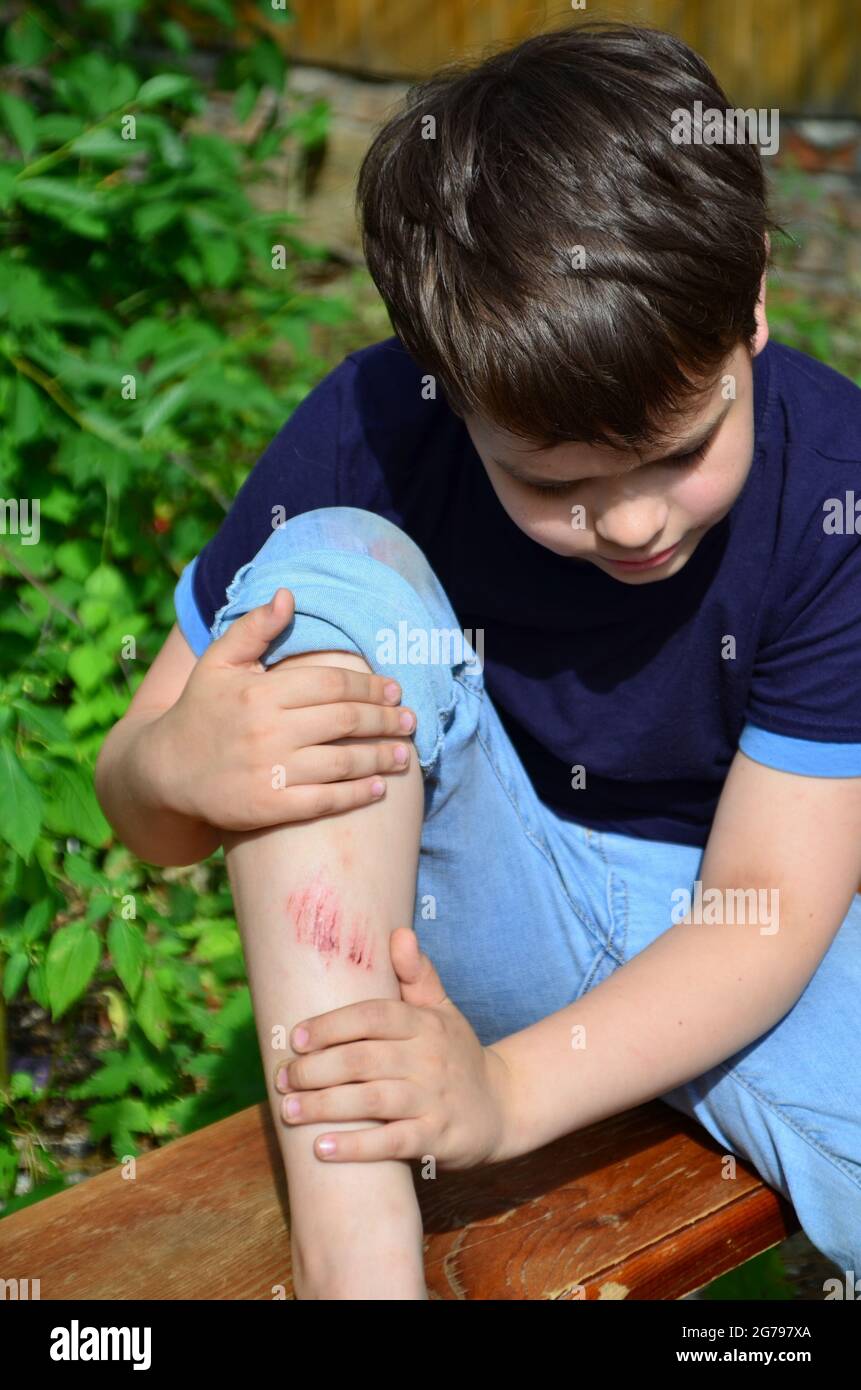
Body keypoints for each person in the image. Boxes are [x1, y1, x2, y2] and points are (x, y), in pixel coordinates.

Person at [95, 22, 861, 1298]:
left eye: (677, 453)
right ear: (447, 382)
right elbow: (145, 805)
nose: (630, 521)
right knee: (332, 572)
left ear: (756, 305)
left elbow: (770, 906)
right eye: (553, 480)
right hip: (467, 924)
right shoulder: (371, 433)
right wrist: (177, 766)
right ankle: (360, 1260)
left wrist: (503, 1094)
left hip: (752, 938)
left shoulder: (837, 488)